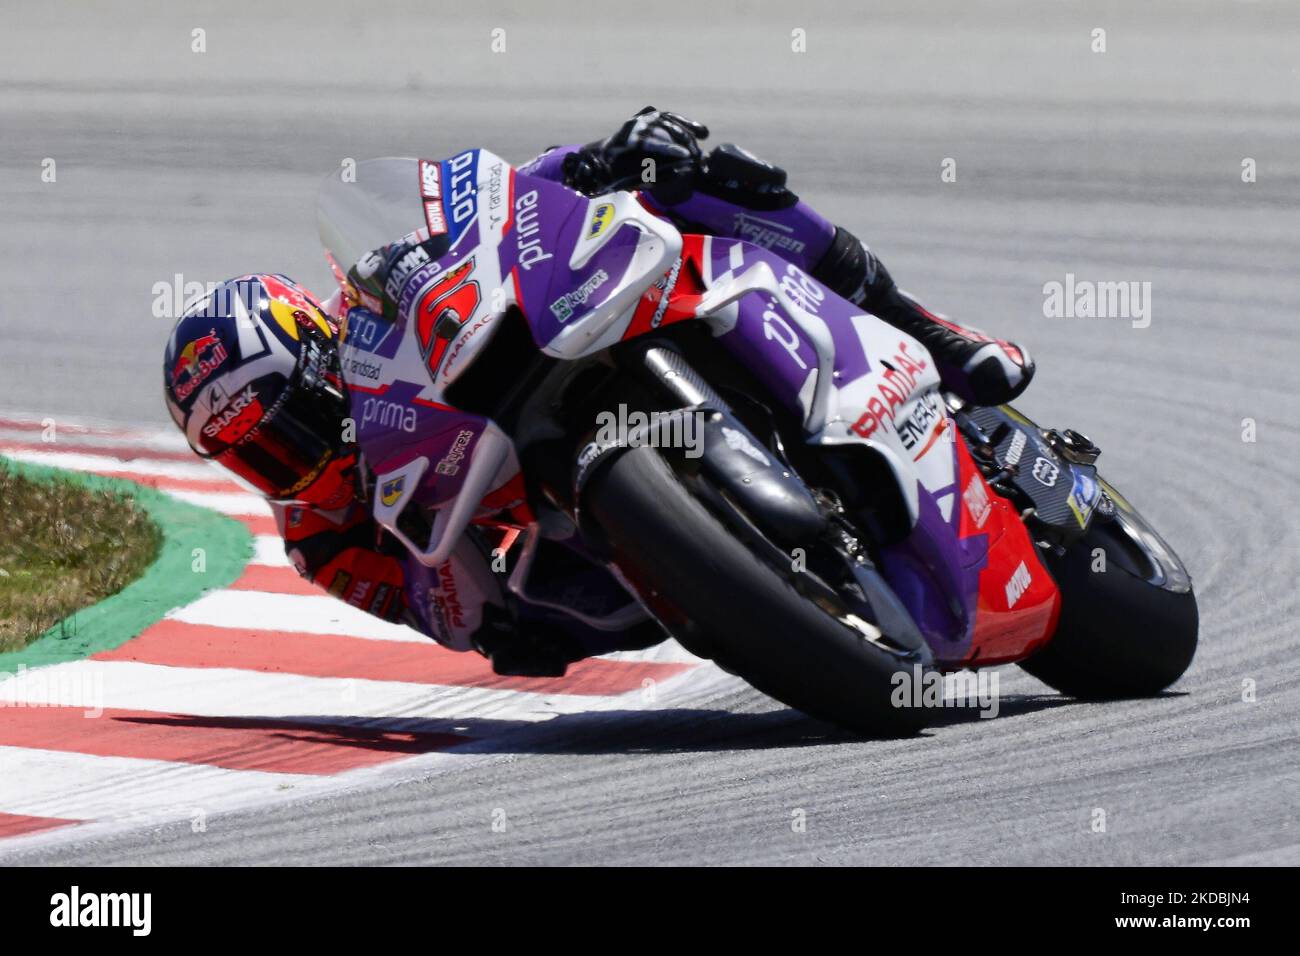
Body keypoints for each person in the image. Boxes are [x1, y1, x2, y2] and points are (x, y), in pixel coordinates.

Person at [162, 108, 1034, 676]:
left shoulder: (372, 312)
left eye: (286, 426)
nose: (290, 460)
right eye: (253, 458)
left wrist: (597, 159)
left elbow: (497, 206)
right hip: (555, 529)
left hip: (559, 338)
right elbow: (445, 612)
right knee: (548, 615)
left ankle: (929, 331)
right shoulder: (320, 538)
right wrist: (481, 610)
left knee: (693, 177)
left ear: (316, 353)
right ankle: (766, 603)